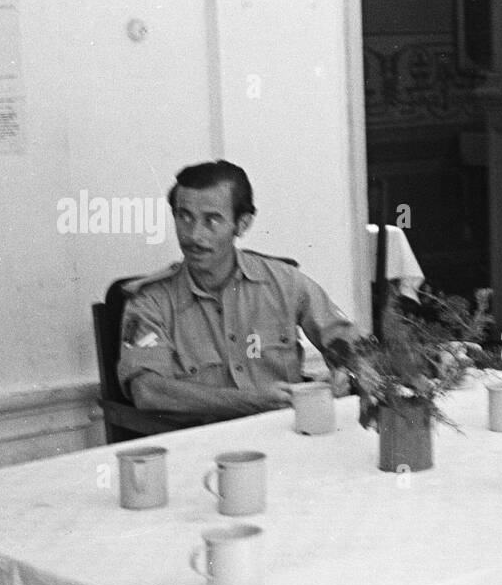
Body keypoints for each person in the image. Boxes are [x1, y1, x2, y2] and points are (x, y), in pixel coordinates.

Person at [117, 160, 359, 420]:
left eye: (211, 220)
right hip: (200, 448)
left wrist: (347, 372)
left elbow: (354, 347)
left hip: (288, 438)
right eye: (184, 217)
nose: (194, 236)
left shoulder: (284, 282)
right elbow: (148, 392)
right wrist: (249, 401)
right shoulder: (149, 301)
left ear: (242, 224)